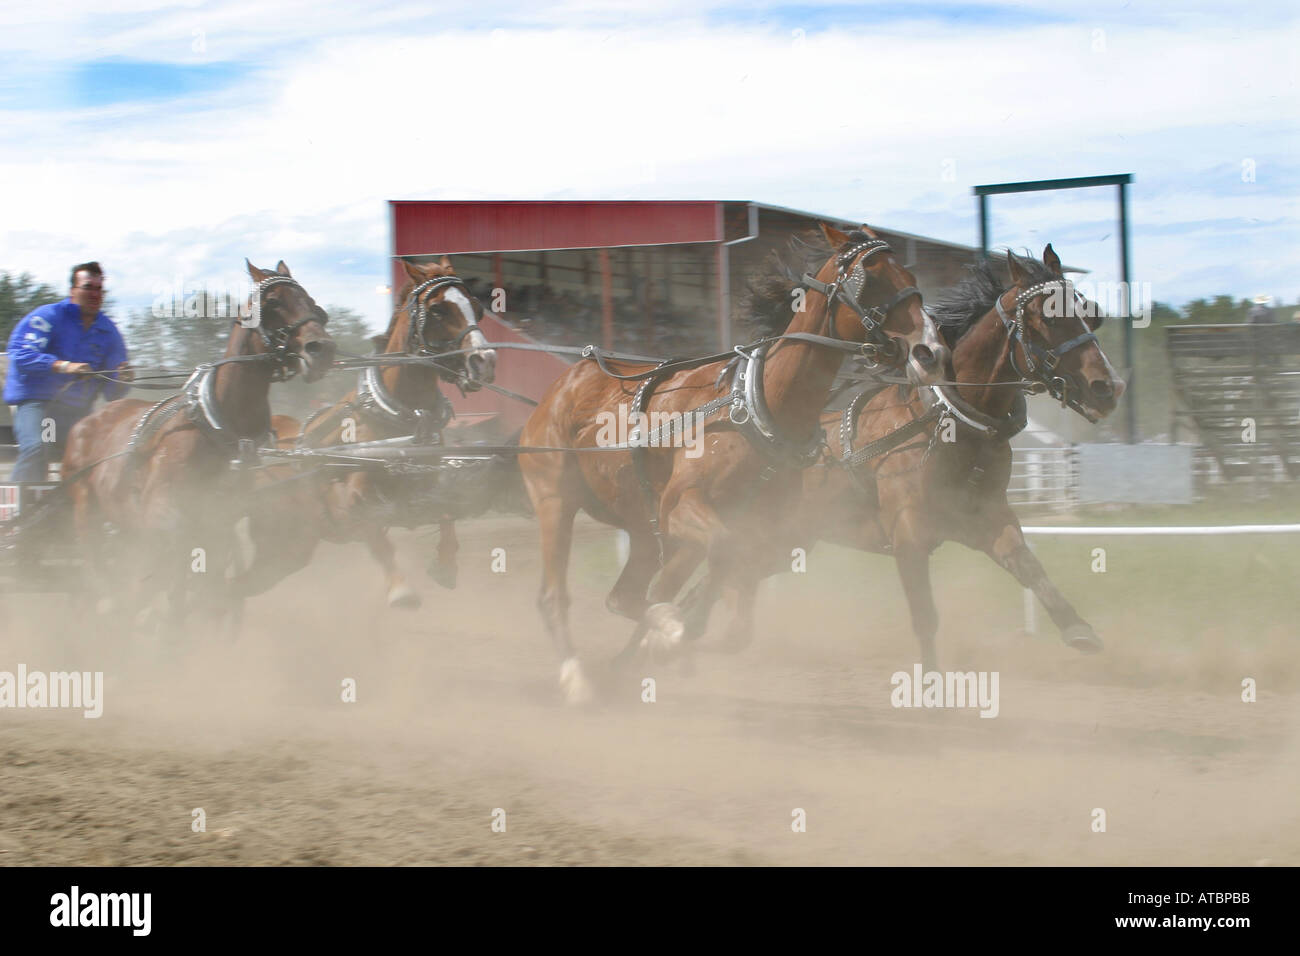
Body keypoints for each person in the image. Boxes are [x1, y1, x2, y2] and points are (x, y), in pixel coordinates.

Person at [4, 262, 131, 481]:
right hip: (41, 406)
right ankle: (20, 510)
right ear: (73, 290)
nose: (95, 294)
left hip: (77, 412)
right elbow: (20, 355)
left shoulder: (109, 332)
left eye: (99, 289)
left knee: (103, 454)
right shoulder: (48, 317)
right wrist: (64, 366)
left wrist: (122, 380)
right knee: (39, 446)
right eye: (88, 287)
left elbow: (112, 393)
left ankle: (74, 509)